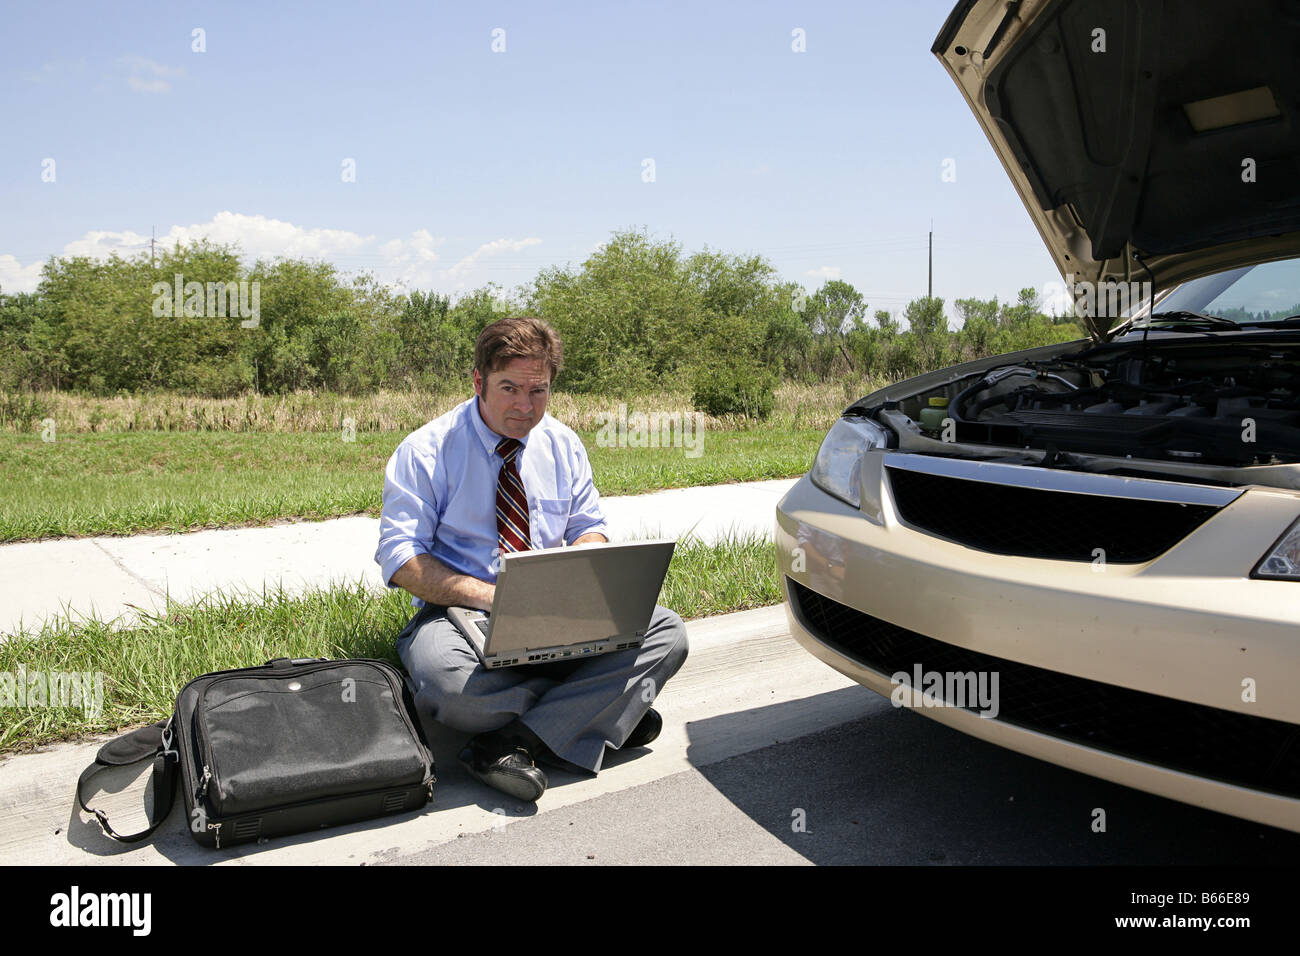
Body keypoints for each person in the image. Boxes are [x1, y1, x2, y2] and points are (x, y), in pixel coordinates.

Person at [375, 316, 689, 802]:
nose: (525, 406)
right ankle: (593, 709)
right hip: (461, 614)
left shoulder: (562, 444)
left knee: (667, 632)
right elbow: (400, 560)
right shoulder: (426, 451)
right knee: (446, 689)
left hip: (556, 606)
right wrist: (491, 596)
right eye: (509, 388)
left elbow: (588, 527)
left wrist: (580, 573)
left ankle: (510, 743)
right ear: (478, 381)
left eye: (538, 391)